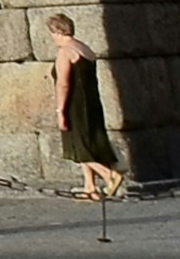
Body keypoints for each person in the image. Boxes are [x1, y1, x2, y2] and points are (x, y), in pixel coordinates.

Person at [49, 14, 124, 202]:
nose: (52, 36)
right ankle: (90, 187)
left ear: (58, 31)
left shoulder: (65, 52)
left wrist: (60, 111)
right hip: (91, 102)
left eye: (52, 32)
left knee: (78, 145)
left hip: (75, 105)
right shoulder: (84, 49)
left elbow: (63, 84)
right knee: (89, 142)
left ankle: (109, 175)